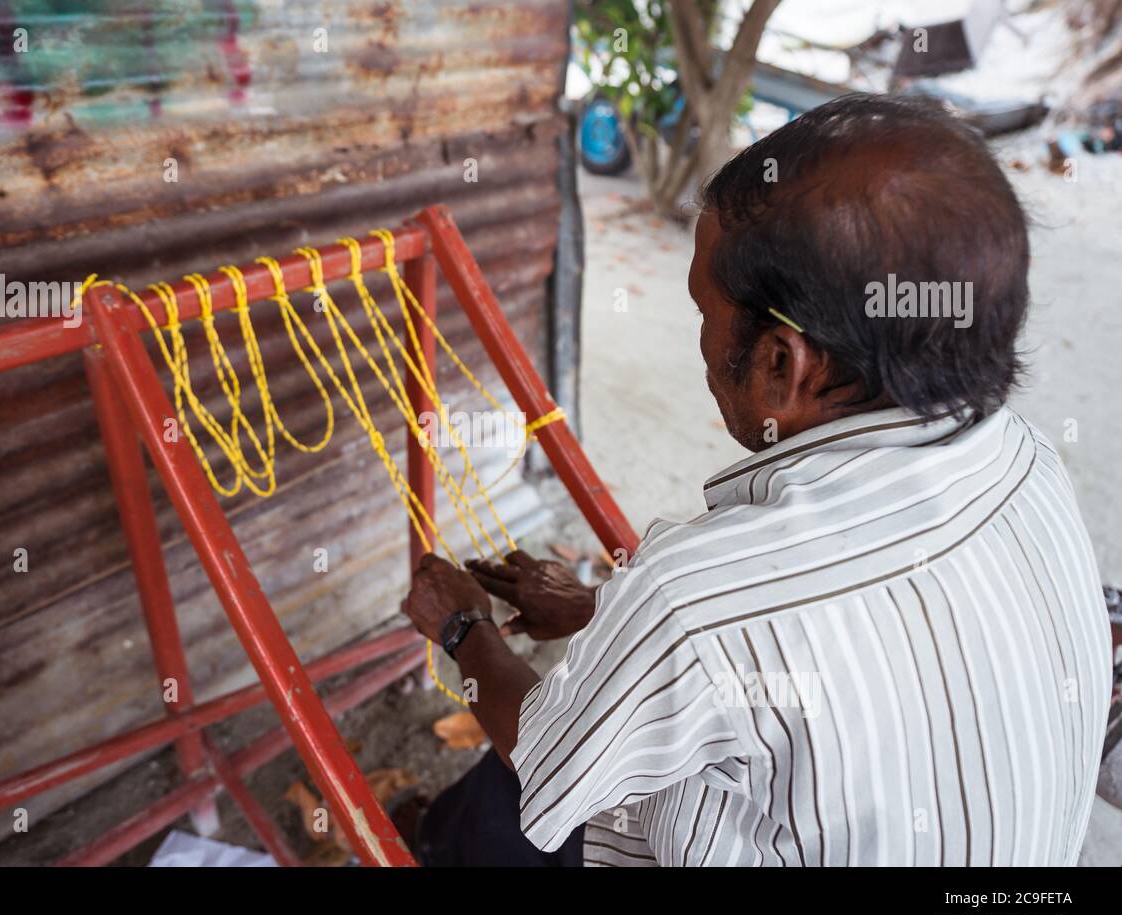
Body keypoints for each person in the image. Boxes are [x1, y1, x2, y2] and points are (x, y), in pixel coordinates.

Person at [401, 93, 1114, 867]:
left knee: (525, 784)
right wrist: (601, 611)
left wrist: (462, 627)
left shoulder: (695, 598)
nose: (701, 346)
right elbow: (852, 644)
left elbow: (544, 756)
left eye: (703, 314)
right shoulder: (1028, 465)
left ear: (783, 364)